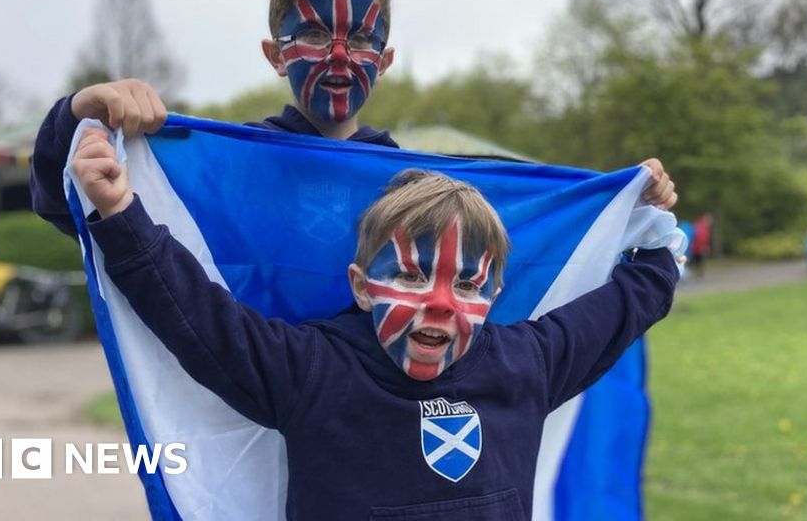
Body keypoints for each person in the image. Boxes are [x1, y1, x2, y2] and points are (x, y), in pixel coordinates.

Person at [70, 126, 679, 520]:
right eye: (412, 276)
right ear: (361, 287)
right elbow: (199, 318)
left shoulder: (528, 364)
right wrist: (120, 212)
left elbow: (628, 301)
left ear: (494, 293)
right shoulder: (309, 371)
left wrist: (648, 222)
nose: (439, 304)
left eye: (466, 283)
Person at [30, 0, 678, 238]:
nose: (340, 56)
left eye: (361, 40)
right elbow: (67, 209)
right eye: (313, 33)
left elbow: (535, 227)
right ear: (275, 56)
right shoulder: (223, 172)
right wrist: (80, 114)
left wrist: (624, 200)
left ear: (387, 60)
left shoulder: (416, 188)